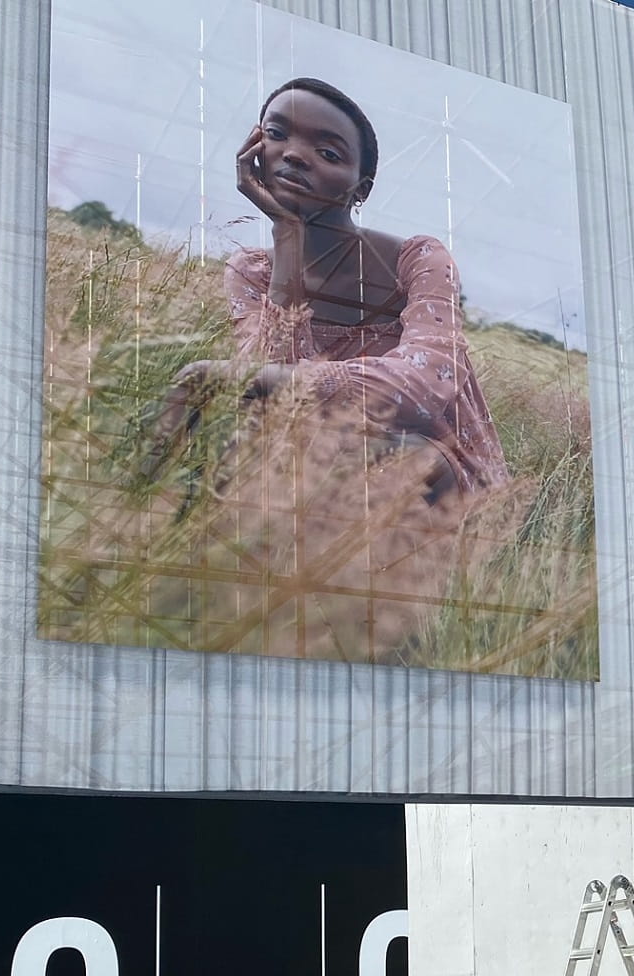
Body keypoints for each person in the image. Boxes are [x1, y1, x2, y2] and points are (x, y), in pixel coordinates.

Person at [143, 76, 512, 660]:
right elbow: (264, 385)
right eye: (277, 134)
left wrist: (256, 383)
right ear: (253, 152)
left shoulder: (418, 258)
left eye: (328, 152)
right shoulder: (251, 270)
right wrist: (286, 238)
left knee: (397, 456)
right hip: (310, 446)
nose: (294, 154)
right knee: (239, 437)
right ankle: (163, 570)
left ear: (359, 187)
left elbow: (422, 389)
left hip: (434, 456)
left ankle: (396, 638)